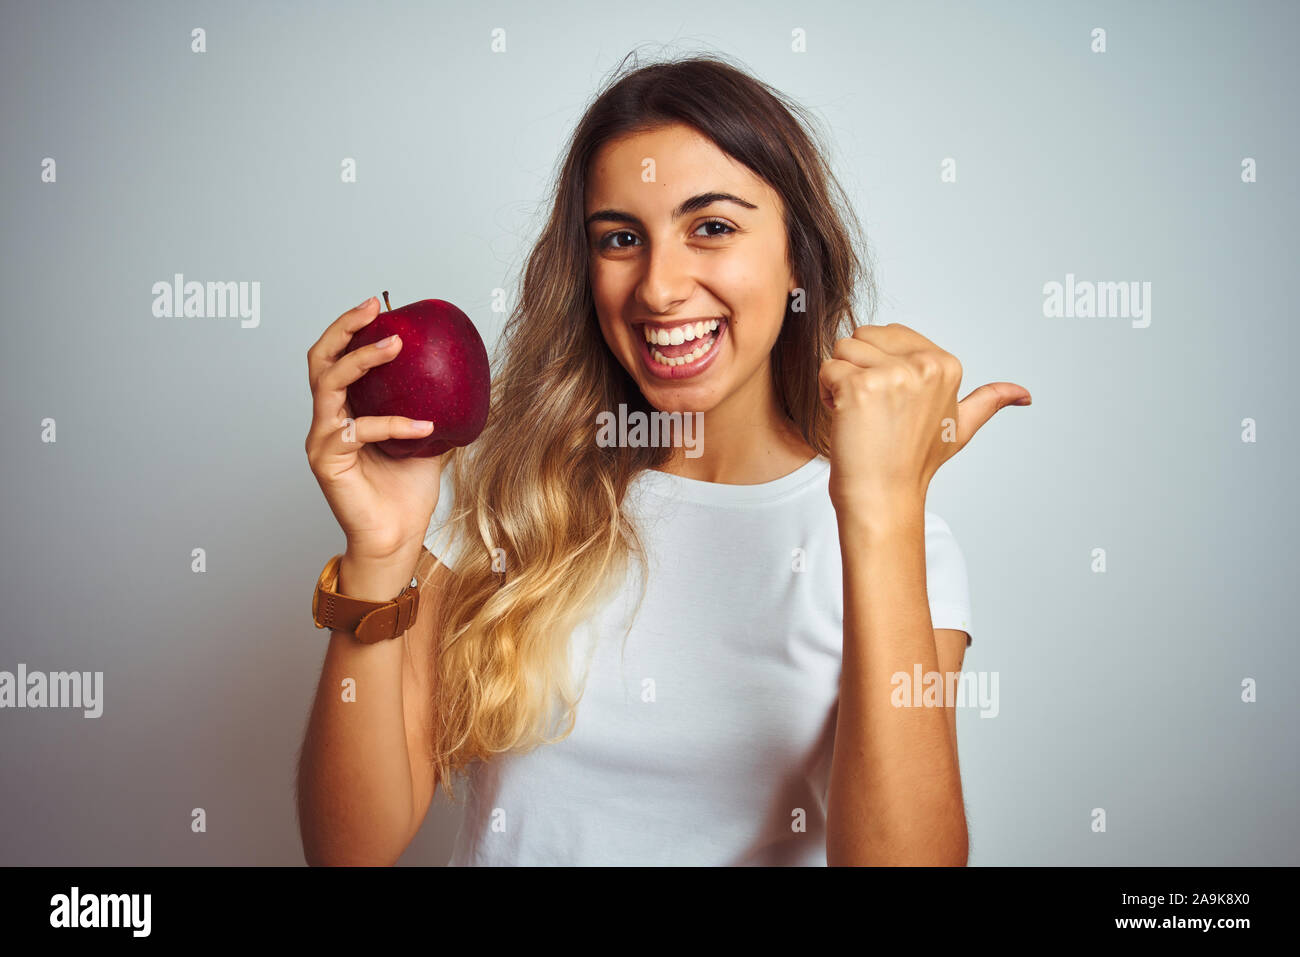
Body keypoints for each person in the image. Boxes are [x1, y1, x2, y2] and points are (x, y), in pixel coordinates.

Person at [297, 51, 1030, 867]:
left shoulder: (902, 540)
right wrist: (381, 553)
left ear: (798, 258)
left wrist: (884, 509)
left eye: (711, 227)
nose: (658, 287)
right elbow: (346, 851)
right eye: (620, 238)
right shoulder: (505, 499)